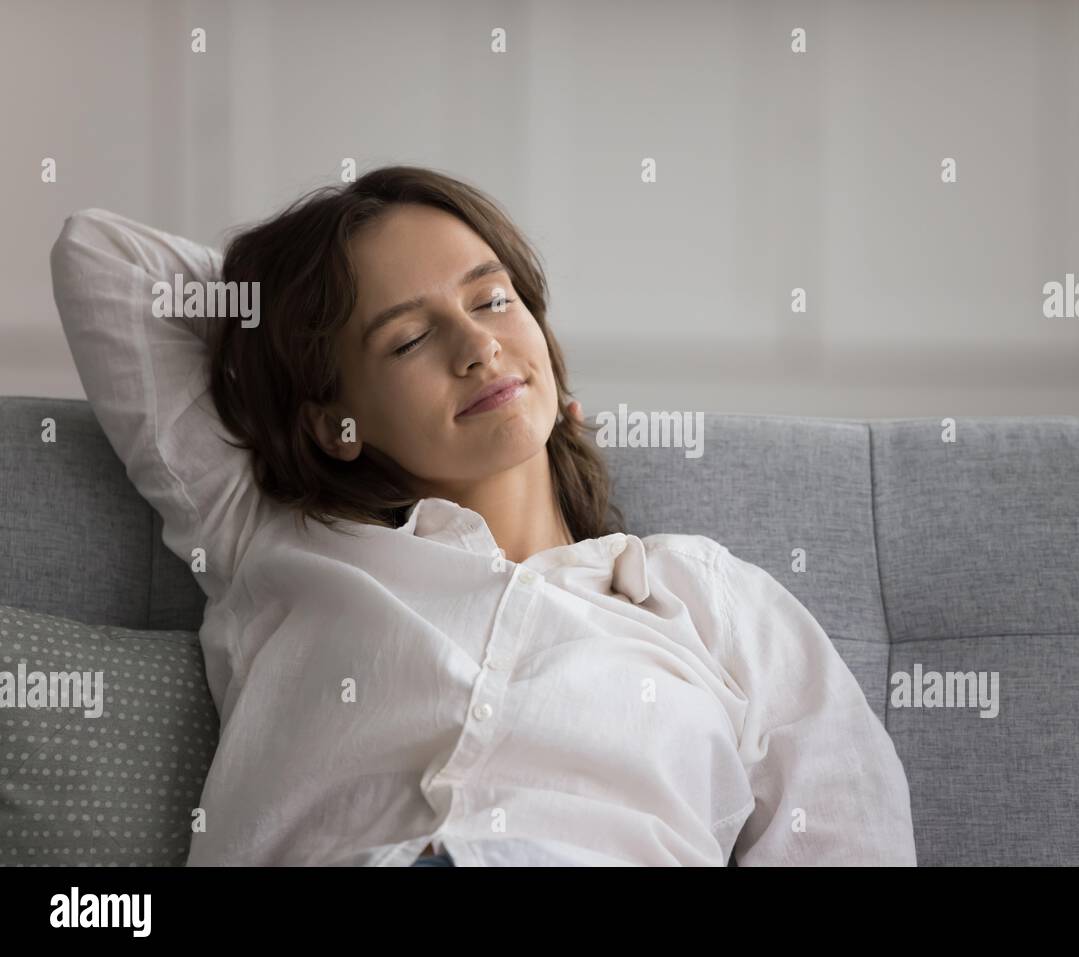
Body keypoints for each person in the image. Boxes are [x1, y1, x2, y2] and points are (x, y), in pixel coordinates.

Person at [50, 166, 917, 867]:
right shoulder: (270, 537)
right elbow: (104, 262)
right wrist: (295, 323)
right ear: (331, 421)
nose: (479, 347)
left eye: (493, 298)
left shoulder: (711, 598)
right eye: (408, 339)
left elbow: (845, 831)